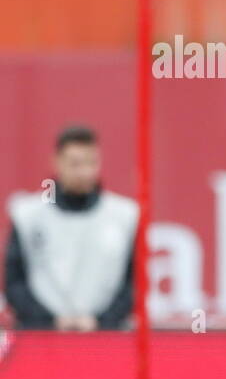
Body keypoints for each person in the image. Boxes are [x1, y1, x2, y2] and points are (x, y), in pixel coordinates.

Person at [5, 125, 137, 331]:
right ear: (57, 162)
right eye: (75, 164)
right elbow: (14, 282)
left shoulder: (125, 215)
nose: (84, 172)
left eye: (91, 162)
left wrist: (100, 322)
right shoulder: (28, 215)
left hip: (107, 338)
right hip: (40, 339)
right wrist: (50, 322)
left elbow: (134, 283)